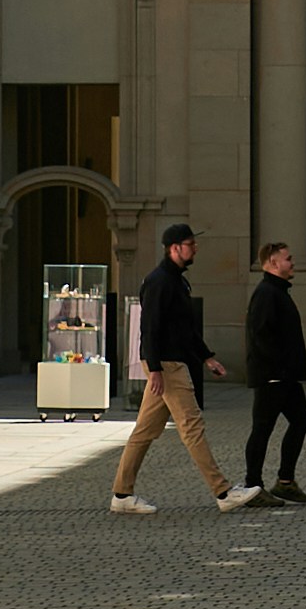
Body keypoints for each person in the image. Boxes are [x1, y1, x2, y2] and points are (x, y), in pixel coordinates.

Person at [111, 219, 238, 512]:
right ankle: (223, 492)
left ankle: (121, 494)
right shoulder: (159, 281)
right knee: (192, 426)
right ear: (174, 248)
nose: (196, 248)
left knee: (144, 431)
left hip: (169, 362)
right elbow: (149, 327)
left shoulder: (177, 280)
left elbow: (186, 328)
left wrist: (207, 357)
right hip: (167, 365)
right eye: (191, 244)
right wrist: (155, 368)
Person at [241, 240, 306, 505]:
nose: (292, 263)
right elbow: (260, 335)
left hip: (285, 376)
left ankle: (285, 482)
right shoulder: (266, 293)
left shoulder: (278, 291)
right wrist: (277, 369)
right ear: (273, 263)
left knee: (300, 421)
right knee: (262, 429)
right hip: (273, 376)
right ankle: (253, 486)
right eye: (288, 259)